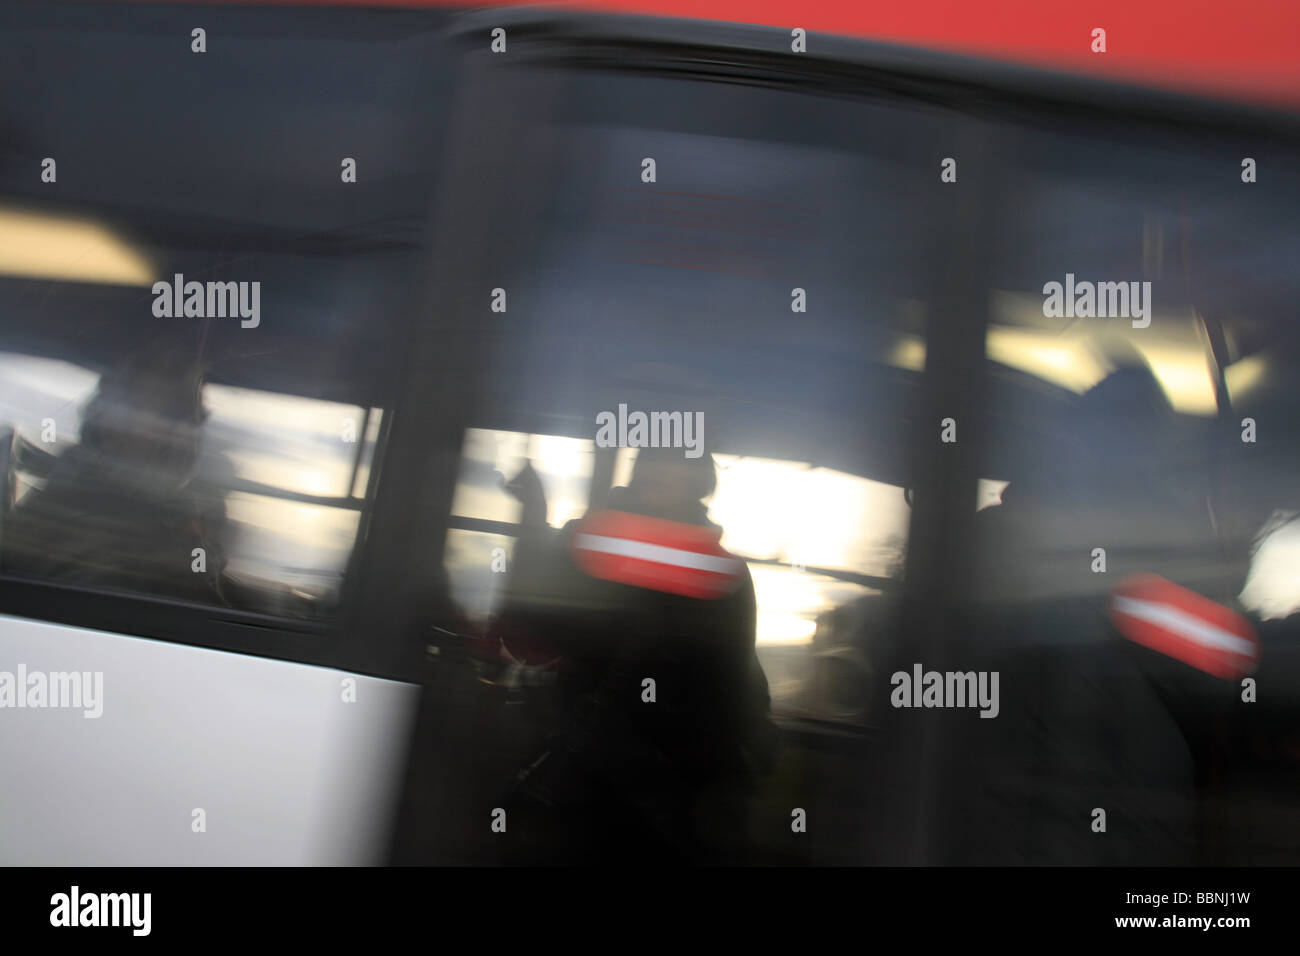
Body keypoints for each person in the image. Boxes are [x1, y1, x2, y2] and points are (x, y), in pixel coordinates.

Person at [491, 446, 776, 864]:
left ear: (700, 482)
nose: (660, 469)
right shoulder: (721, 573)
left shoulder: (587, 543)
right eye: (654, 458)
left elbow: (729, 682)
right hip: (632, 789)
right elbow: (527, 635)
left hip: (650, 786)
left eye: (677, 461)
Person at [2, 340, 227, 605]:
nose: (188, 433)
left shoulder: (176, 518)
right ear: (112, 425)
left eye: (192, 418)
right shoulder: (79, 515)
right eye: (174, 415)